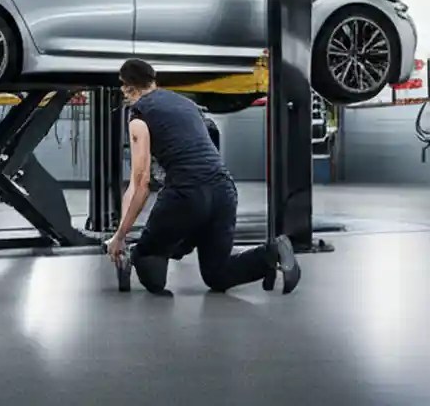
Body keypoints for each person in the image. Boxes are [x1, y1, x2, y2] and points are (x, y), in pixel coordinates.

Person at [107, 58, 300, 295]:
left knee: (149, 262)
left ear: (127, 87)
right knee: (217, 274)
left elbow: (140, 183)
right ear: (153, 80)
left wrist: (120, 235)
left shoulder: (138, 116)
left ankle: (137, 256)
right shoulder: (187, 104)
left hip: (186, 194)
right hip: (224, 191)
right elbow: (211, 140)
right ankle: (273, 253)